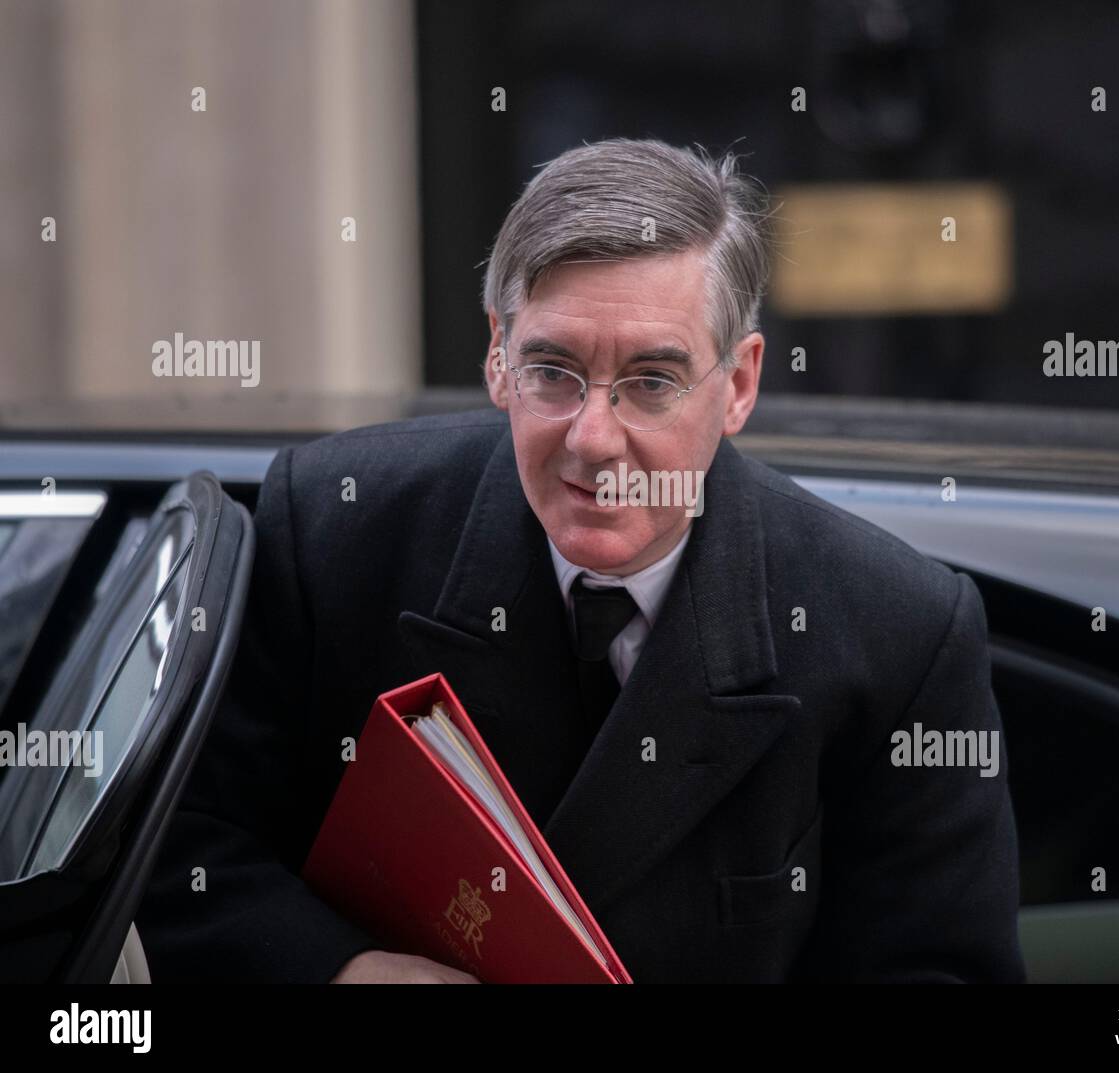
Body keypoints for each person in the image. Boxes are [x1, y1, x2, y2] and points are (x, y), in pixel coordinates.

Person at [136, 138, 1025, 983]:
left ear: (741, 384)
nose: (595, 440)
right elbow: (173, 855)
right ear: (495, 357)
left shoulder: (896, 631)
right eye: (552, 370)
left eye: (651, 381)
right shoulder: (335, 526)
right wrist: (340, 968)